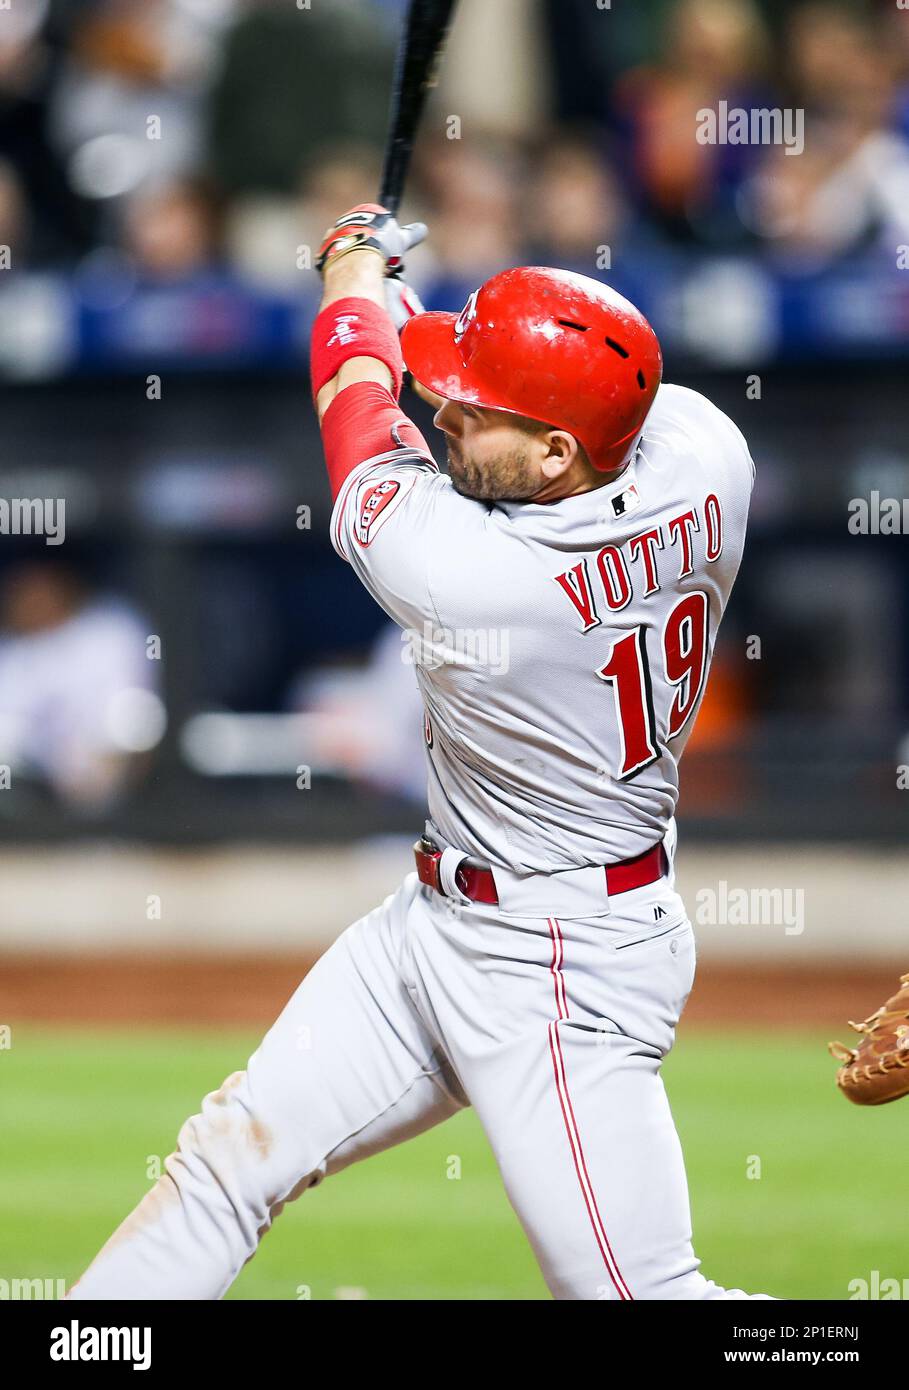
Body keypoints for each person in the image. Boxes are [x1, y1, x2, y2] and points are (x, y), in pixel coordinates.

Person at [68, 205, 768, 1300]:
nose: (446, 410)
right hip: (435, 925)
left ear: (555, 455)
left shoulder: (478, 583)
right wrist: (401, 308)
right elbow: (515, 390)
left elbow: (358, 408)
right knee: (226, 1157)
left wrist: (353, 271)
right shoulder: (705, 453)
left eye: (479, 413)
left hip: (558, 963)